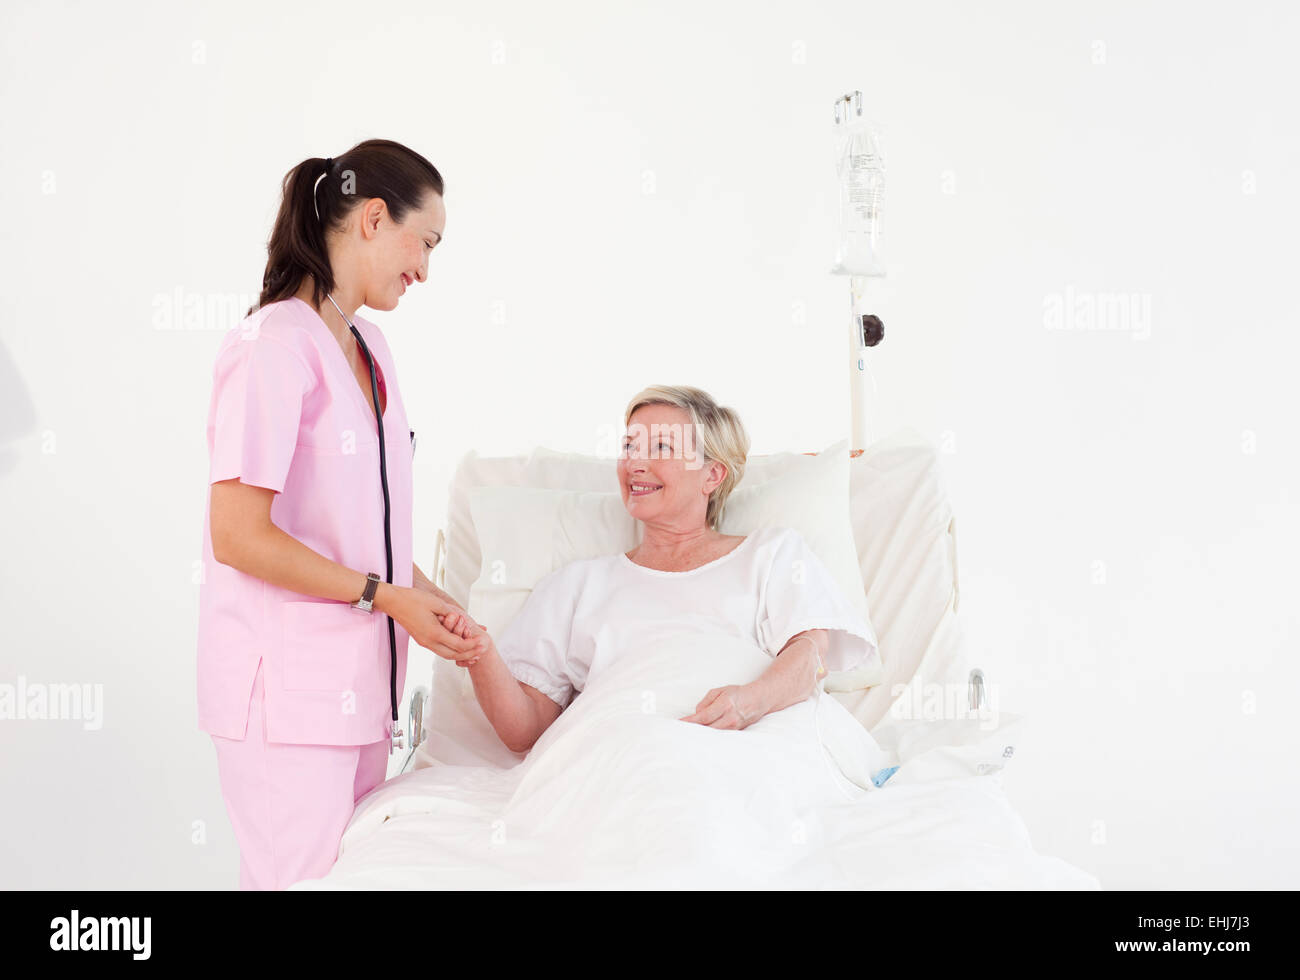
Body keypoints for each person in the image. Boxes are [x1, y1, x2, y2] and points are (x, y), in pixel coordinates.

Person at [197, 139, 485, 890]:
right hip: (288, 703)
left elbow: (362, 529)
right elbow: (237, 534)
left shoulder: (373, 348)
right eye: (424, 242)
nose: (424, 268)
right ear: (374, 218)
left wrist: (422, 595)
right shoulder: (272, 347)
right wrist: (385, 598)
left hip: (363, 695)